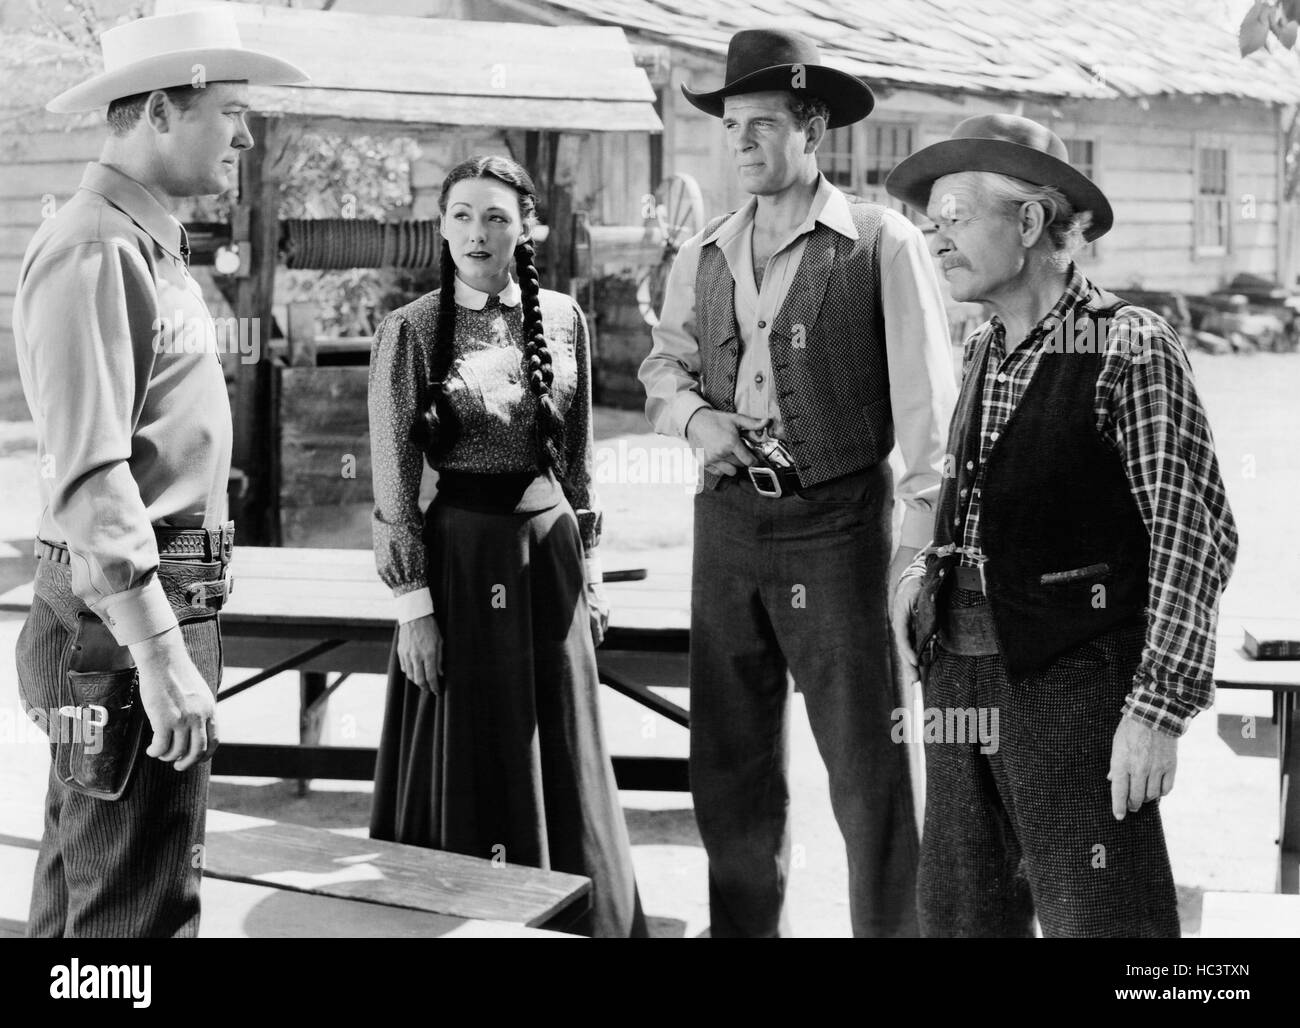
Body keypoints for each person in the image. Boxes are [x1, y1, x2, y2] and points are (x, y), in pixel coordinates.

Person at [886, 114, 1238, 937]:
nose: (935, 239)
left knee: (1107, 926)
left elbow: (1193, 537)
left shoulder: (1128, 346)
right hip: (959, 683)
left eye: (955, 217)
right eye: (931, 222)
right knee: (965, 920)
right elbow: (970, 494)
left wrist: (1156, 711)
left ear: (1032, 222)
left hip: (1072, 689)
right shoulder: (983, 344)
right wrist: (919, 574)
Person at [638, 28, 957, 938]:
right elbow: (665, 369)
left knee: (869, 771)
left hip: (840, 524)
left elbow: (933, 419)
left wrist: (913, 557)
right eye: (732, 125)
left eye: (763, 125)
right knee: (729, 764)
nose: (741, 144)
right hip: (728, 526)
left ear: (813, 127)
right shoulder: (702, 251)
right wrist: (697, 420)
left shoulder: (881, 244)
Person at [12, 8, 306, 937]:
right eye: (230, 111)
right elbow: (95, 477)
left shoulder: (141, 240)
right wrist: (159, 650)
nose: (246, 134)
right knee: (134, 909)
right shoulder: (98, 245)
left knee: (90, 890)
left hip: (134, 611)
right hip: (129, 621)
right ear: (160, 113)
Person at [367, 154, 646, 938]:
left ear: (525, 227)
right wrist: (413, 608)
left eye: (494, 215)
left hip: (548, 561)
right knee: (474, 747)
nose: (476, 232)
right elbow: (392, 482)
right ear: (442, 227)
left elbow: (580, 460)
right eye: (460, 215)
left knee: (557, 742)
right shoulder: (413, 330)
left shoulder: (563, 318)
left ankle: (574, 915)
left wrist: (589, 570)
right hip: (460, 566)